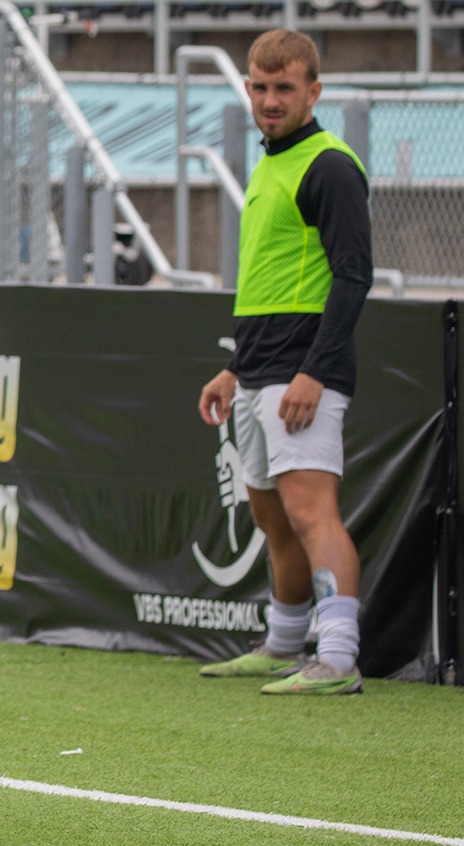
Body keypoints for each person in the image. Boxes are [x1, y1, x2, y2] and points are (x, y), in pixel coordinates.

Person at [197, 29, 371, 696]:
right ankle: (283, 644)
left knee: (311, 512)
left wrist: (314, 372)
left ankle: (338, 657)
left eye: (285, 89)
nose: (270, 100)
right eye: (260, 87)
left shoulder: (329, 165)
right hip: (260, 368)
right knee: (270, 515)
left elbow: (354, 278)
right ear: (248, 87)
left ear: (313, 91)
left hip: (304, 373)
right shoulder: (269, 163)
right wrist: (236, 367)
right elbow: (273, 281)